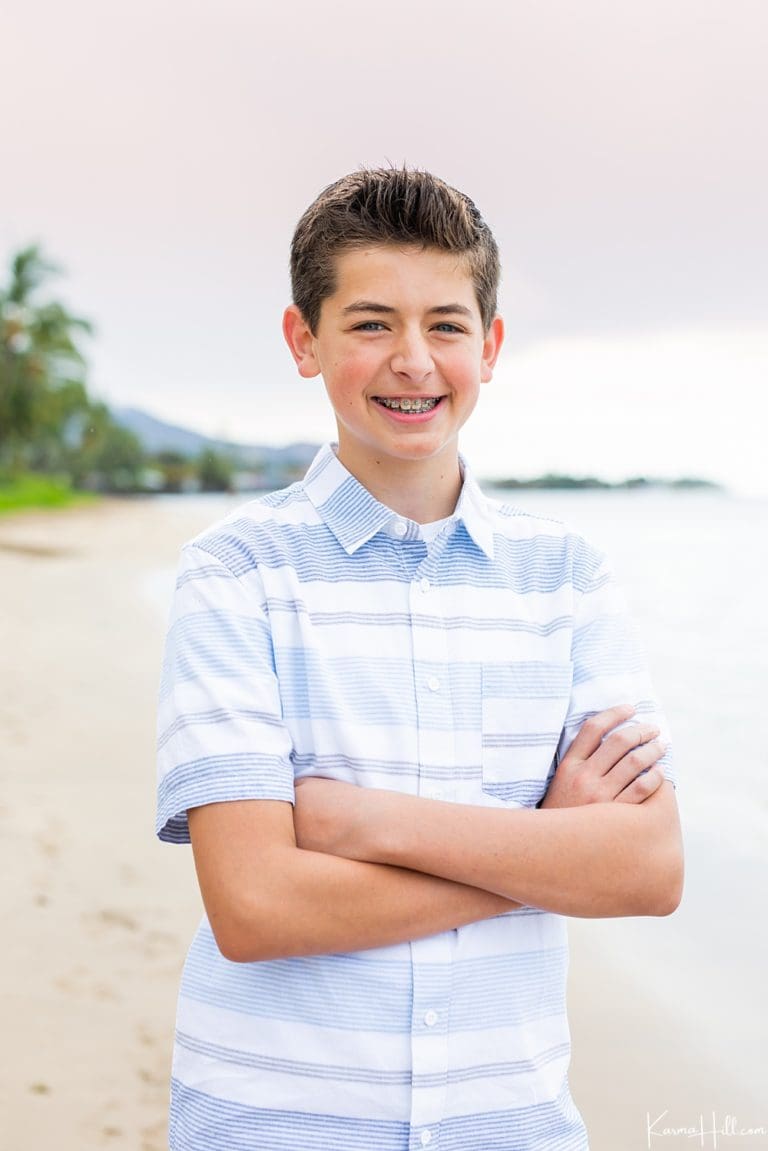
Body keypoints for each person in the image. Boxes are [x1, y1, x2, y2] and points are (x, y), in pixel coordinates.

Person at [156, 167, 683, 1150]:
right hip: (275, 1125)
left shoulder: (566, 578)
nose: (413, 360)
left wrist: (366, 820)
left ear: (488, 344)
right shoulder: (234, 573)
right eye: (369, 323)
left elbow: (648, 867)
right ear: (303, 340)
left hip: (511, 1124)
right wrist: (545, 853)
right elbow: (257, 905)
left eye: (445, 324)